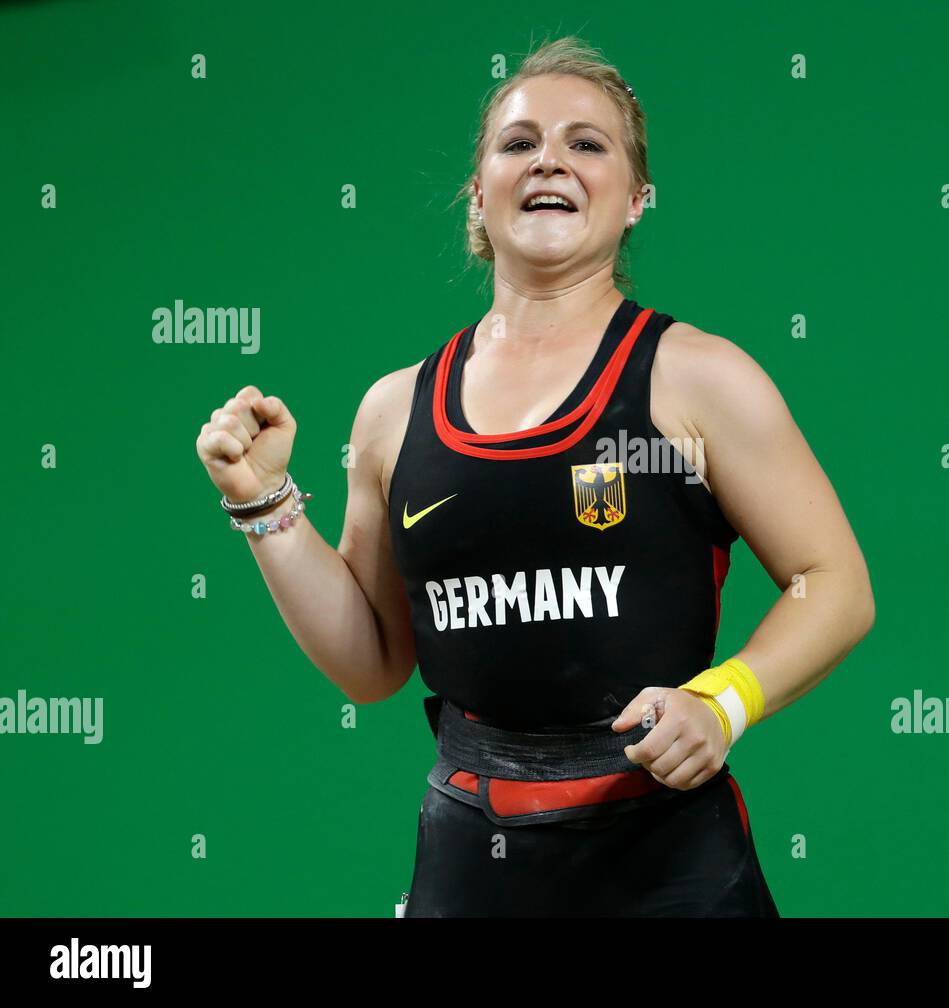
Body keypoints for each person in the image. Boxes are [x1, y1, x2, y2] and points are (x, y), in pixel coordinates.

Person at [194, 36, 875, 917]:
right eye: (519, 143)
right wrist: (264, 503)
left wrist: (723, 702)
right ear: (478, 193)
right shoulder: (394, 411)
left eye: (587, 143)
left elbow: (837, 585)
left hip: (665, 864)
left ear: (636, 199)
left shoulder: (699, 378)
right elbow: (373, 664)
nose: (550, 157)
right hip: (472, 861)